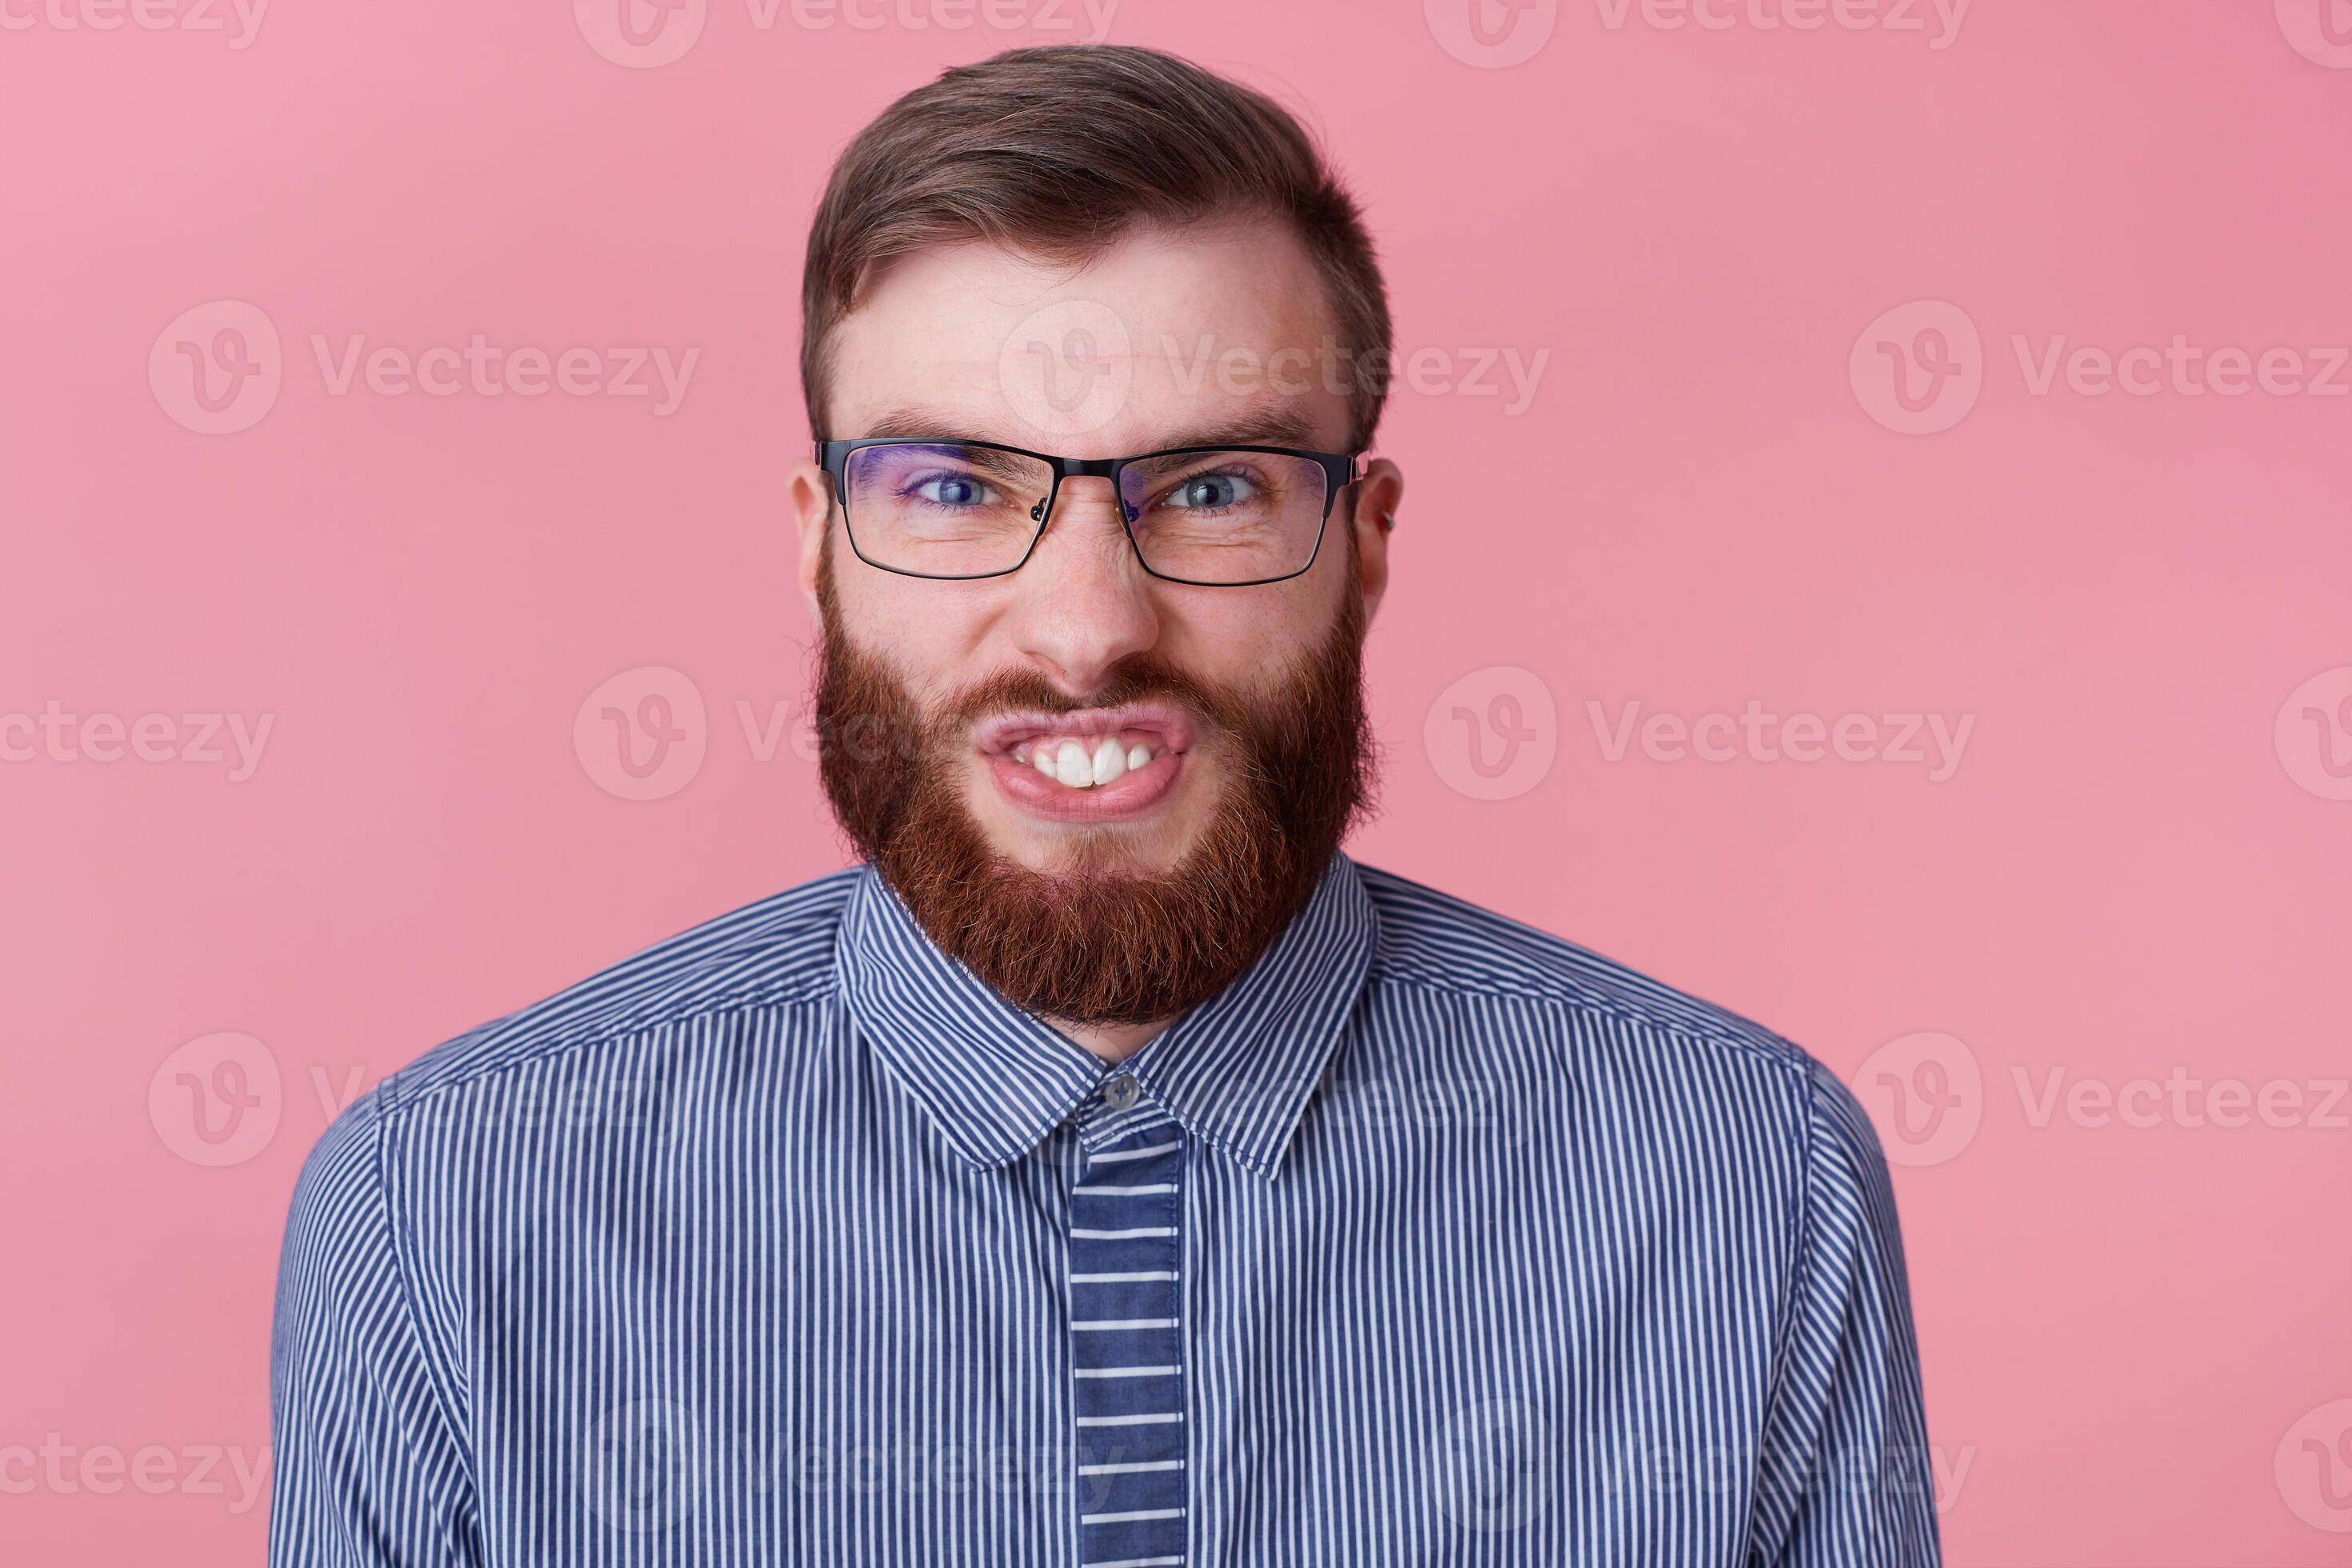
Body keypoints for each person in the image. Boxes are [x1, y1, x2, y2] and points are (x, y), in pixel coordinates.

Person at [270, 43, 1938, 1566]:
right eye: (952, 485)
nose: (1084, 630)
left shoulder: (1745, 1183)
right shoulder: (446, 1217)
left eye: (1210, 487)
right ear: (820, 546)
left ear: (1363, 547)